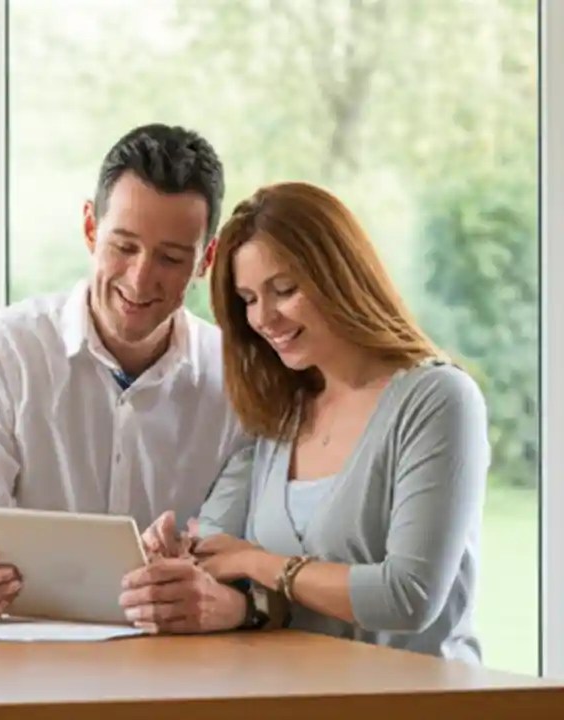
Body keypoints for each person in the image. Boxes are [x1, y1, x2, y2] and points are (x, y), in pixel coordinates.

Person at [133, 181, 488, 662]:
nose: (264, 318)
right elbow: (219, 555)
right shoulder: (278, 412)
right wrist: (183, 560)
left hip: (413, 703)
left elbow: (407, 596)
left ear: (340, 275)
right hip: (295, 696)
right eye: (248, 299)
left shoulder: (437, 400)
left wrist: (258, 563)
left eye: (284, 290)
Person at [0, 123, 251, 626]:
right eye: (124, 246)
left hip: (173, 668)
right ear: (91, 228)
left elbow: (245, 555)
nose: (140, 278)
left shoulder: (234, 380)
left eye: (170, 257)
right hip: (19, 663)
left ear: (206, 258)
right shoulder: (1, 353)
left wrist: (211, 587)